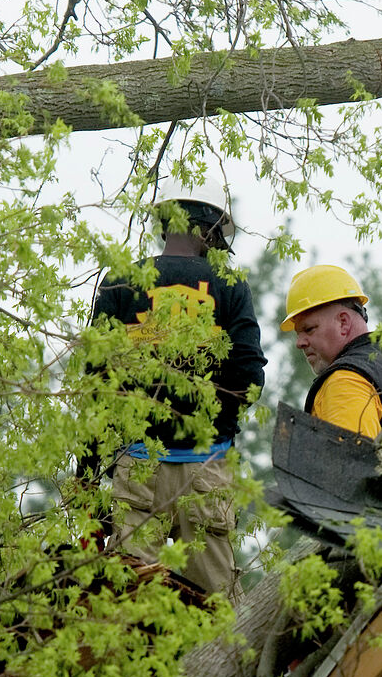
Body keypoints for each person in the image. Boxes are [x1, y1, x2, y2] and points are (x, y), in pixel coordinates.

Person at [88, 179, 265, 596]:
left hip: (138, 467)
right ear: (210, 230)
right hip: (206, 469)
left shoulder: (121, 280)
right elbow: (249, 377)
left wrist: (88, 478)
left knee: (126, 602)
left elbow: (96, 385)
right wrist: (220, 433)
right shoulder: (229, 284)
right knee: (219, 609)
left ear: (165, 224)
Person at [279, 264, 382, 438]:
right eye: (298, 334)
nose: (299, 343)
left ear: (343, 323)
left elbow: (352, 455)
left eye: (309, 329)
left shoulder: (345, 381)